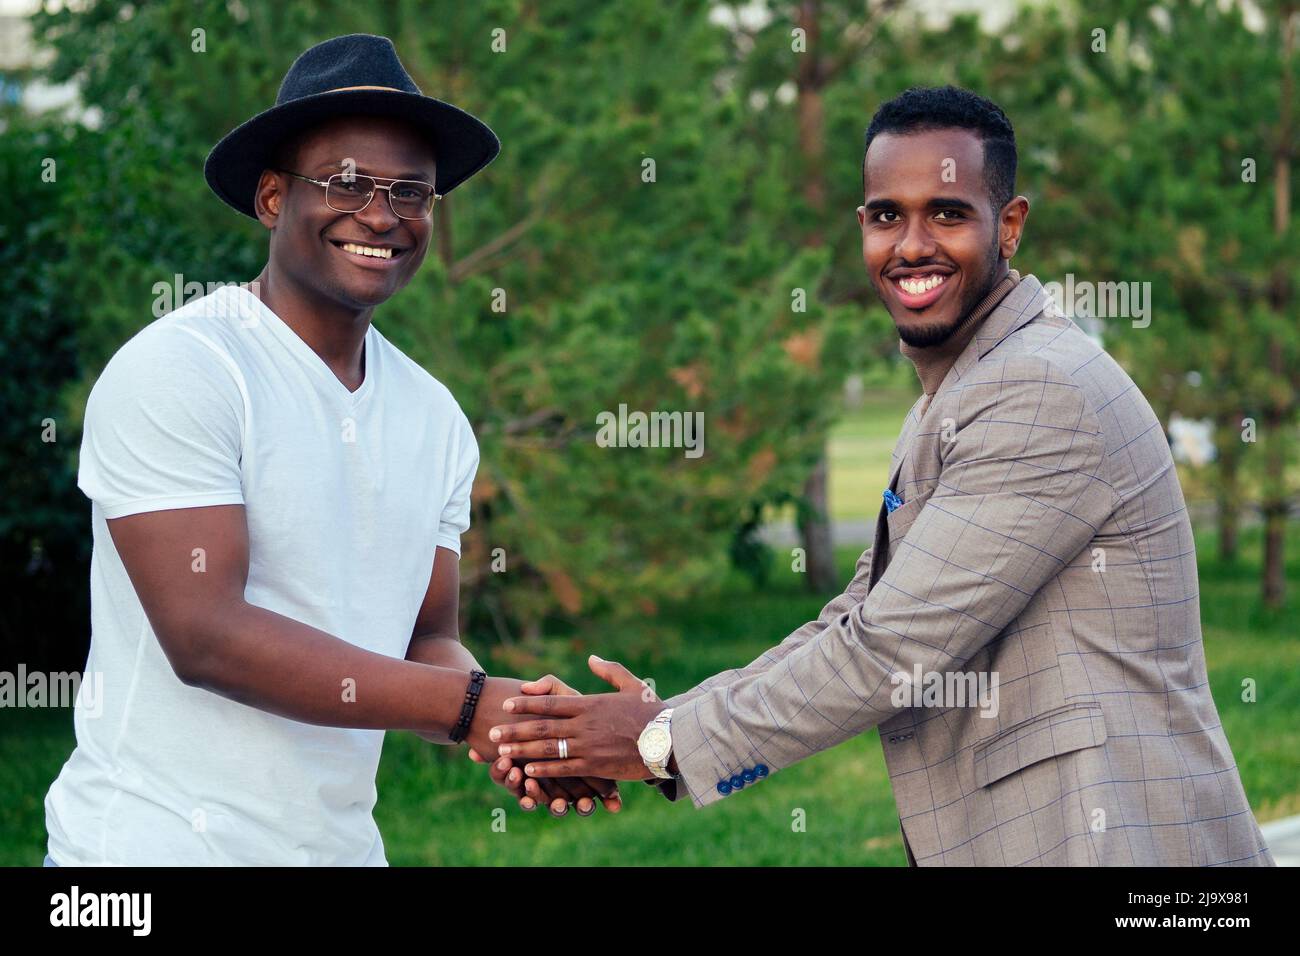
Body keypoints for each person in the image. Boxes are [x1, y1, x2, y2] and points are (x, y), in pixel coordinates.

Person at [487, 86, 1276, 867]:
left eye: (947, 212)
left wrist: (659, 743)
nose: (911, 244)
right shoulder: (966, 384)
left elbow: (888, 651)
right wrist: (666, 719)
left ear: (1009, 225)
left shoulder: (1039, 390)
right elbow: (858, 614)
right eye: (886, 215)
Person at [43, 33, 614, 867]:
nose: (382, 215)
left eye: (411, 193)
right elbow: (206, 635)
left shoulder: (432, 415)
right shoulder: (185, 369)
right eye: (345, 183)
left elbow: (425, 638)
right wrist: (470, 708)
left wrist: (517, 726)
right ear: (272, 198)